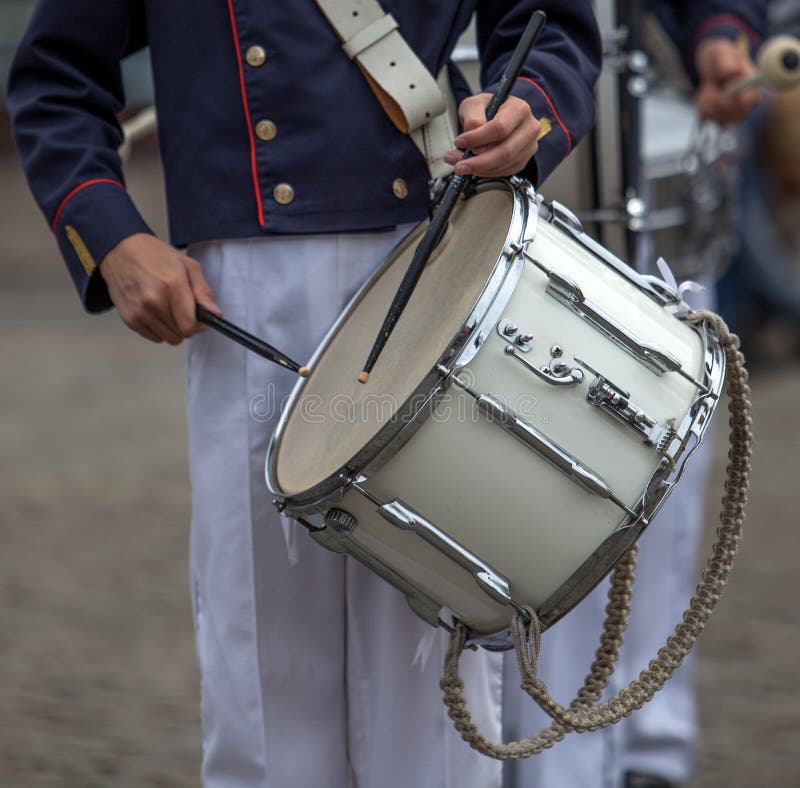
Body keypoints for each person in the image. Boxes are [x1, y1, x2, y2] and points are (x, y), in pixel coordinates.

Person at [8, 3, 603, 786]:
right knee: (266, 666)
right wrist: (110, 231)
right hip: (245, 287)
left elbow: (549, 23)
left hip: (434, 251)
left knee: (428, 664)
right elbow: (55, 76)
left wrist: (530, 109)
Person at [501, 3, 768, 787]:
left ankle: (648, 749)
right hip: (492, 151)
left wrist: (721, 31)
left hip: (646, 168)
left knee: (657, 493)